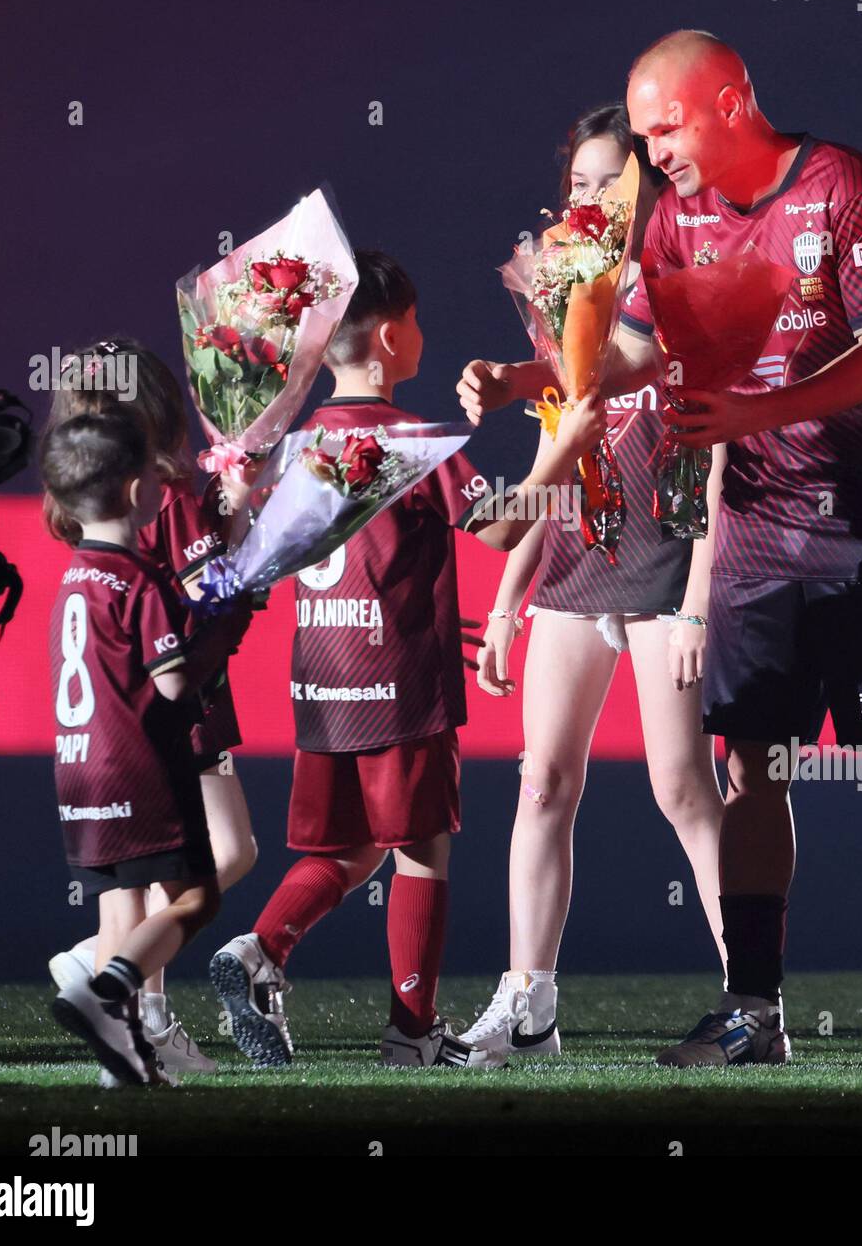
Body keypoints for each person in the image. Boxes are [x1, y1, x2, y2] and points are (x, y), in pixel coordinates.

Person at [459, 30, 862, 1073]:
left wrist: (761, 404)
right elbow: (636, 347)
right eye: (639, 137)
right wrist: (534, 376)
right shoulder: (672, 220)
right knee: (750, 767)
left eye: (663, 128)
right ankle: (752, 1012)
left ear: (729, 101)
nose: (653, 153)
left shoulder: (846, 187)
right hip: (757, 530)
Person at [210, 249, 606, 1069]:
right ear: (391, 338)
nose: (423, 333)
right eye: (417, 322)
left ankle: (259, 951)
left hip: (320, 681)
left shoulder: (295, 443)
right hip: (400, 690)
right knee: (420, 847)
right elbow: (498, 526)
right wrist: (563, 452)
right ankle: (413, 1031)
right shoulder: (410, 440)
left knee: (345, 851)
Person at [459, 105, 727, 1065]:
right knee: (541, 785)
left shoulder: (689, 288)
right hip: (576, 566)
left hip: (661, 563)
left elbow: (697, 435)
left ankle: (755, 1000)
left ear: (648, 186)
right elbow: (555, 452)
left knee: (683, 790)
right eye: (576, 184)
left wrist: (698, 595)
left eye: (607, 182)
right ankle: (527, 1003)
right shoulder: (564, 293)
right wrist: (503, 605)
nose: (587, 199)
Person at [42, 338, 257, 1078]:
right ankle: (131, 1001)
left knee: (147, 887)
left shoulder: (84, 543)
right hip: (159, 727)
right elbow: (203, 604)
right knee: (194, 876)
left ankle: (122, 1005)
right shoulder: (157, 509)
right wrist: (242, 568)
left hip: (97, 746)